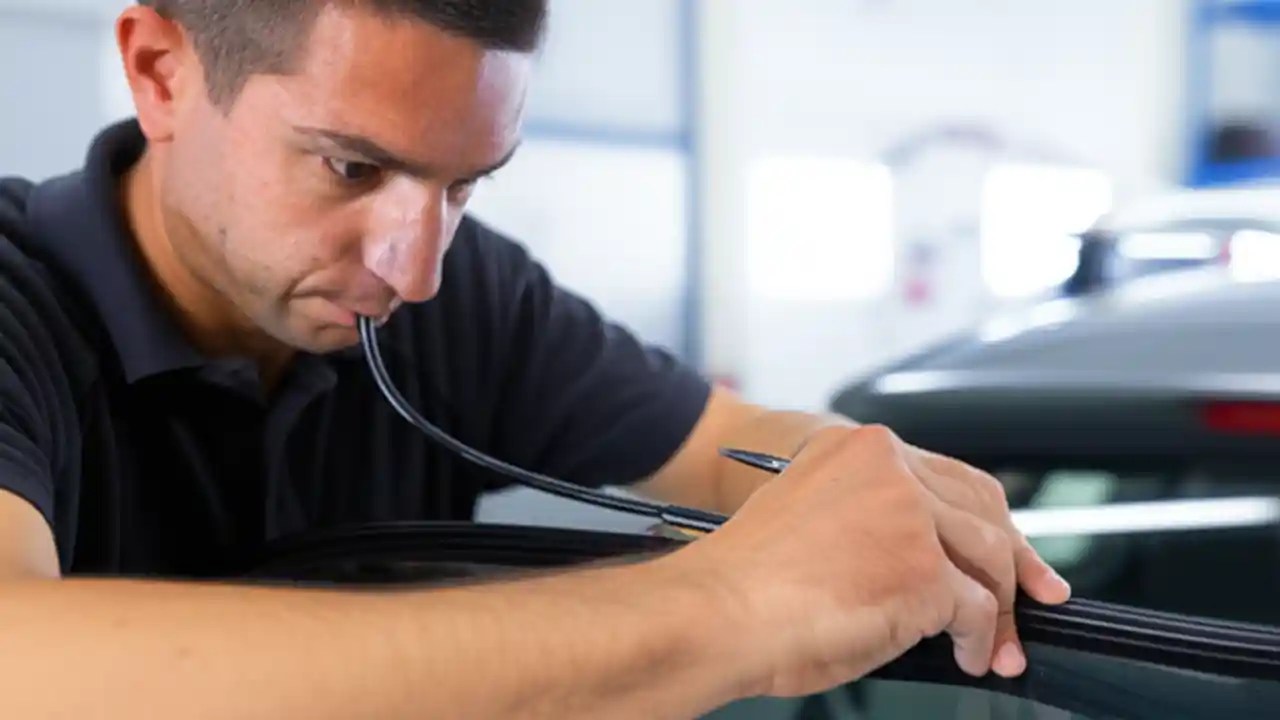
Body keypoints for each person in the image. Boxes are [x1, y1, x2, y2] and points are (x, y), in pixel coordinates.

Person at [0, 1, 1070, 716]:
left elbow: (727, 446)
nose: (414, 270)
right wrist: (729, 608)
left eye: (465, 185)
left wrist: (858, 476)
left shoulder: (466, 298)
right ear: (162, 73)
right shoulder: (19, 306)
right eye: (350, 167)